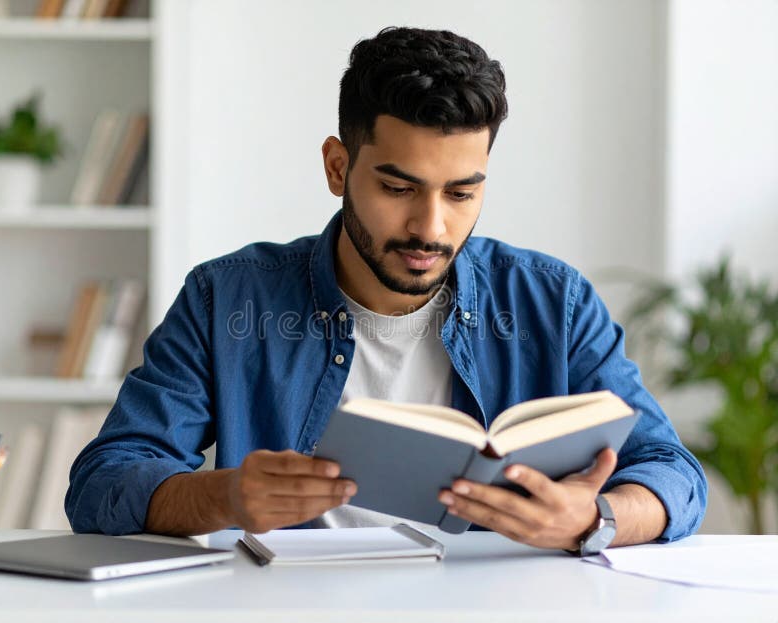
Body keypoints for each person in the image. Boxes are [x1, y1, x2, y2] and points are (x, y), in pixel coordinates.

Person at [66, 26, 706, 552]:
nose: (432, 228)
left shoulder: (552, 302)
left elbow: (673, 474)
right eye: (398, 188)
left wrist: (596, 519)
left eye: (461, 193)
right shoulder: (226, 299)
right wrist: (223, 496)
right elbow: (102, 480)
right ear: (338, 167)